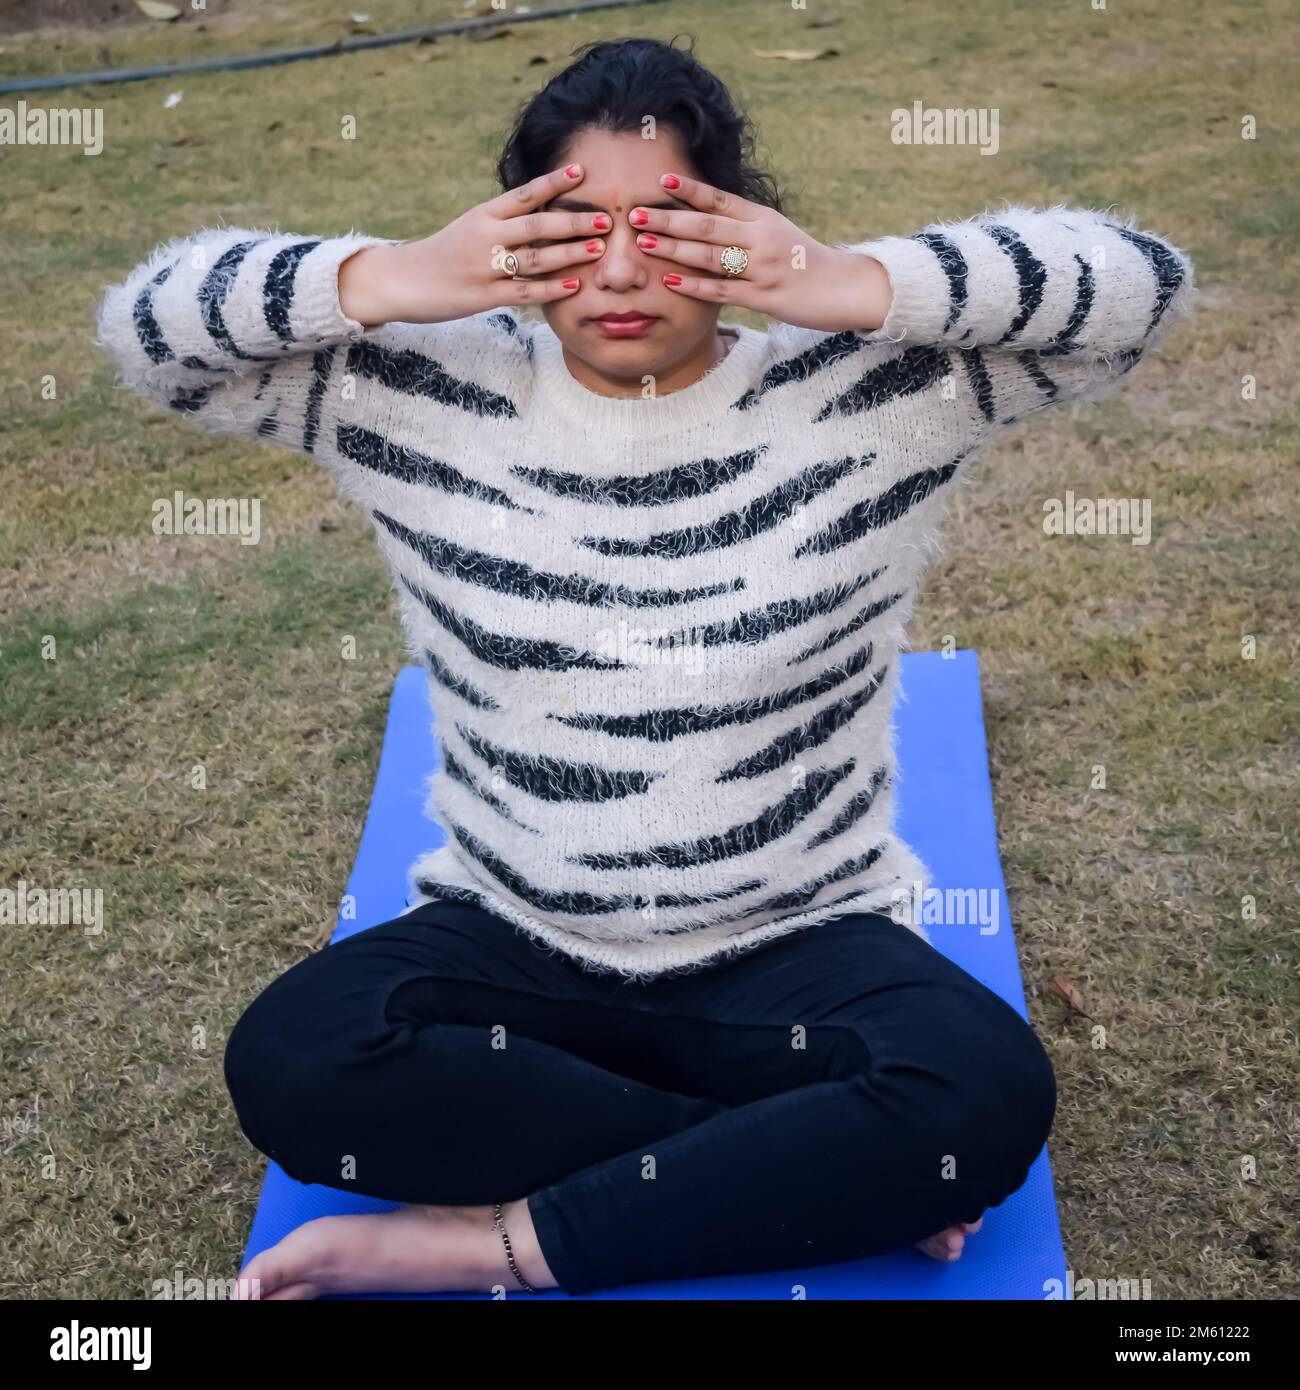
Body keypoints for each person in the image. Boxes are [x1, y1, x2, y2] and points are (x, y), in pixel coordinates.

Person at [95, 35, 1194, 1299]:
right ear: (510, 239)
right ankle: (796, 1167)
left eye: (665, 229)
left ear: (738, 228)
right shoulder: (409, 392)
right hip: (514, 936)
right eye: (572, 231)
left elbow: (1138, 289)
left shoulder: (880, 390)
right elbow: (154, 335)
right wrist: (388, 275)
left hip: (796, 937)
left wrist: (856, 282)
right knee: (294, 1063)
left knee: (982, 1093)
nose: (619, 270)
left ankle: (496, 1239)